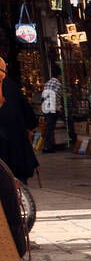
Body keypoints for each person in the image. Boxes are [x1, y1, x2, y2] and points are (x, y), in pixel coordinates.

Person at [0, 56, 39, 184]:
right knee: (18, 185)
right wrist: (31, 125)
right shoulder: (12, 86)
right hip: (17, 146)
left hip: (6, 149)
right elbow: (27, 113)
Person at [41, 62, 71, 152]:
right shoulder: (58, 84)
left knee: (49, 127)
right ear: (59, 75)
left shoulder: (47, 83)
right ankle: (48, 146)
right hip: (52, 108)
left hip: (46, 107)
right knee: (52, 127)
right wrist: (59, 108)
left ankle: (49, 145)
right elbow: (57, 97)